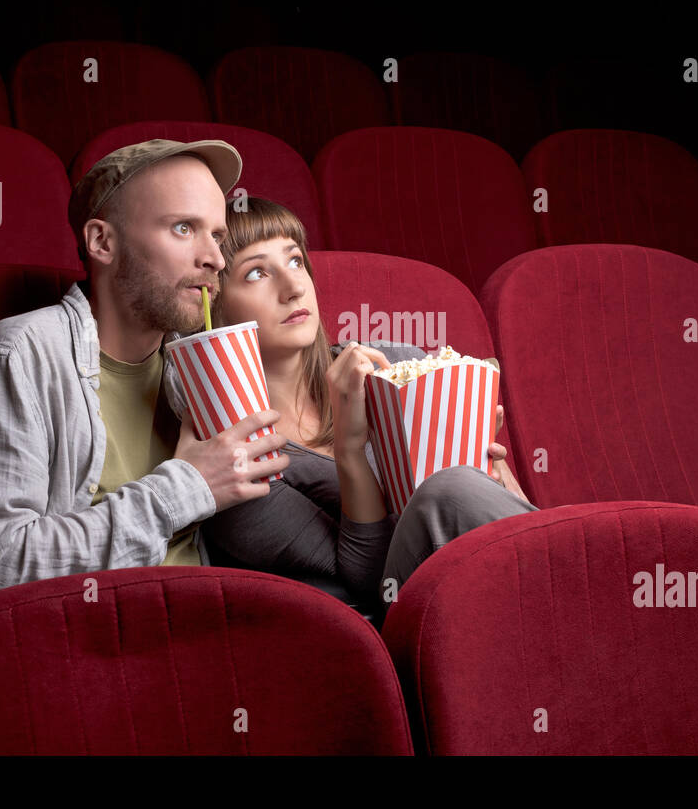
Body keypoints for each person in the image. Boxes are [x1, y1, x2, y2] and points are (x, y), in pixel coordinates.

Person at [0, 140, 289, 603]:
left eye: (217, 236)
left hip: (201, 614)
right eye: (184, 228)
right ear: (102, 242)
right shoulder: (18, 357)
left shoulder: (196, 364)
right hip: (82, 637)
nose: (215, 259)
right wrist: (186, 487)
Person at [197, 196, 537, 623]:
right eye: (257, 272)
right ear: (212, 308)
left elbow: (506, 517)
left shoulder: (397, 363)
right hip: (391, 622)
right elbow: (372, 584)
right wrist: (350, 450)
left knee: (463, 488)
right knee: (449, 492)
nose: (293, 287)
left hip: (494, 591)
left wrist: (495, 479)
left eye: (296, 261)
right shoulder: (232, 460)